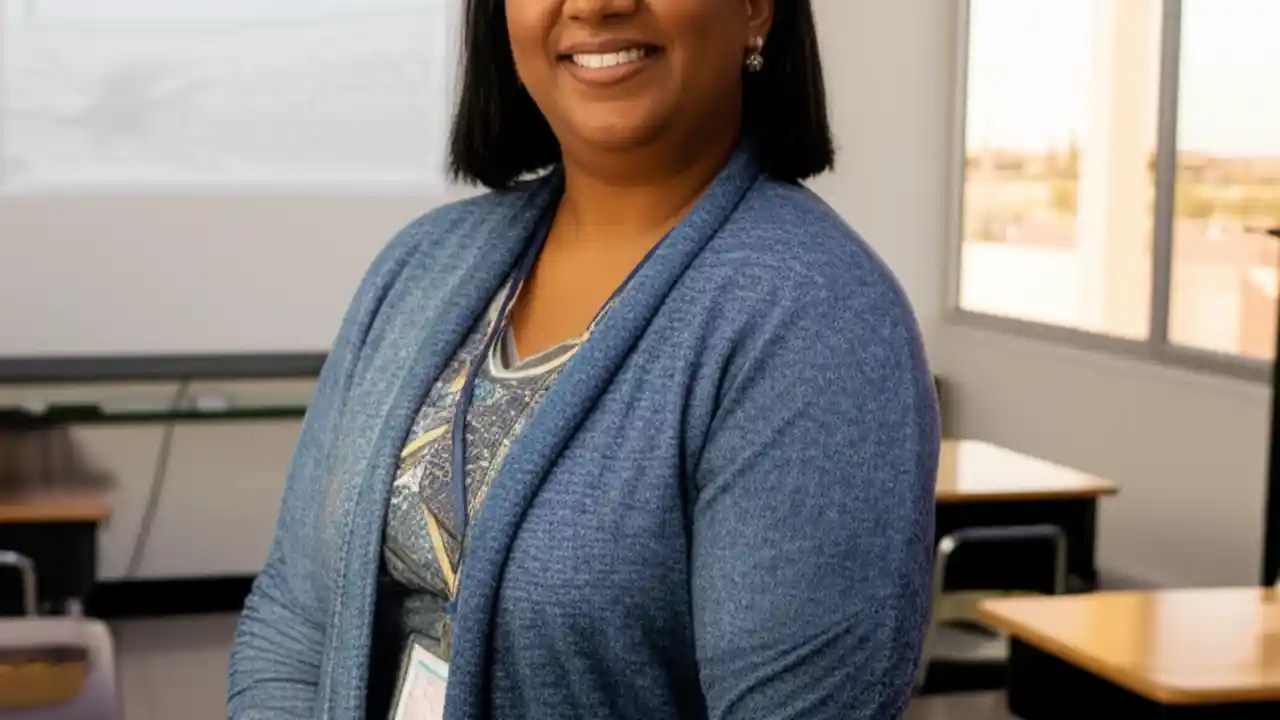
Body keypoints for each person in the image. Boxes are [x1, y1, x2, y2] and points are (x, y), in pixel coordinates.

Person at [228, 0, 940, 718]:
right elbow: (295, 620)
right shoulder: (418, 267)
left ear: (756, 8)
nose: (599, 4)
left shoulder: (816, 317)